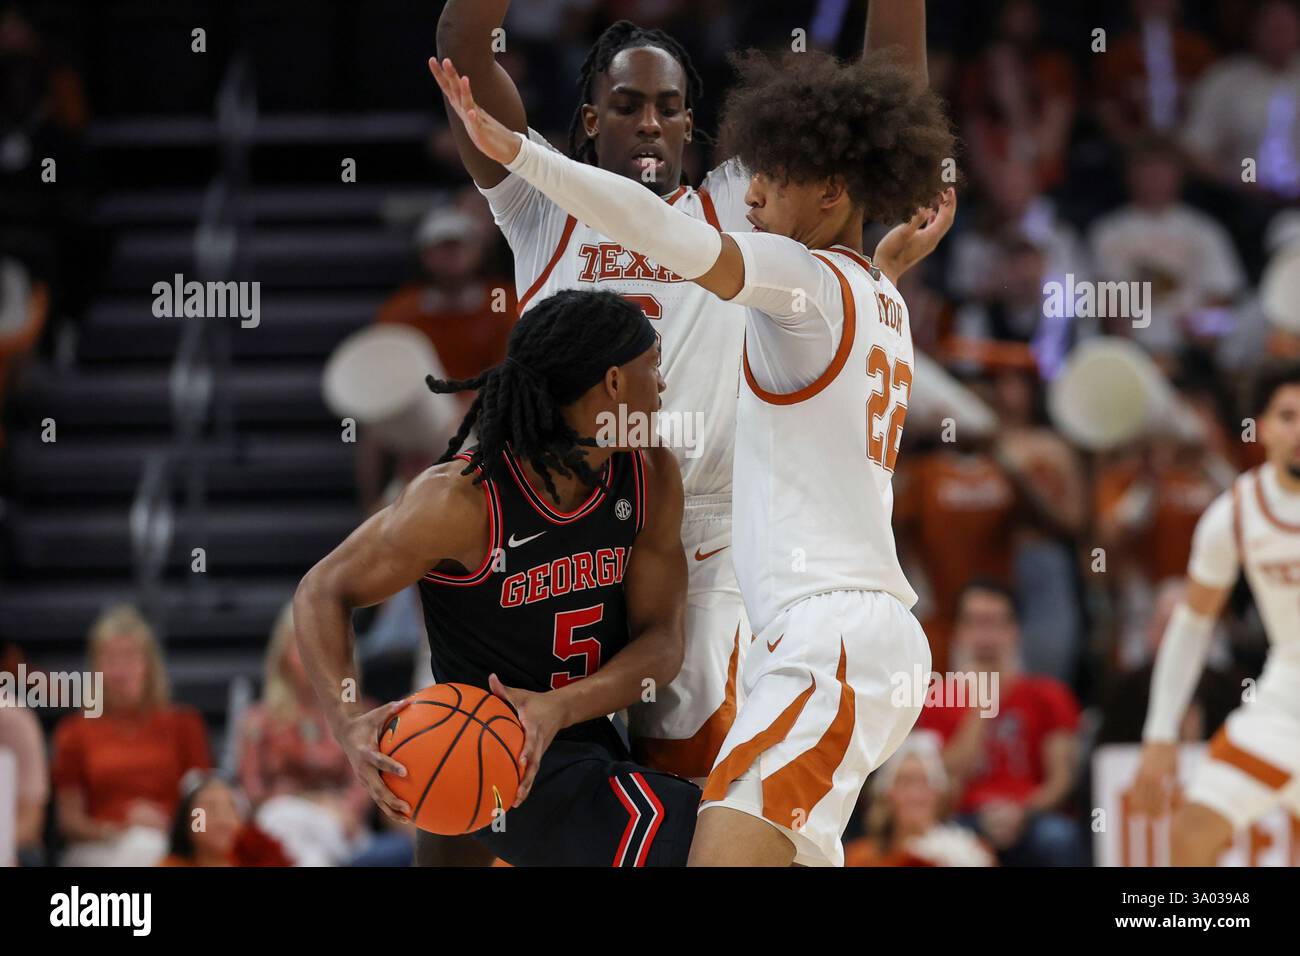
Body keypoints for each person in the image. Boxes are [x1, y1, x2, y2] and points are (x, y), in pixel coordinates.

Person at [429, 0, 955, 863]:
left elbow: (875, 103)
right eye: (628, 104)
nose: (651, 122)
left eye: (670, 106)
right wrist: (514, 147)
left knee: (693, 804)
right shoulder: (541, 206)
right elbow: (461, 45)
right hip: (566, 530)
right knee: (496, 777)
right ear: (590, 116)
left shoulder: (740, 210)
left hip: (709, 537)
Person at [295, 288, 701, 866]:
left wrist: (558, 708)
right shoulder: (460, 500)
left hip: (577, 736)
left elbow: (662, 643)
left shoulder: (650, 473)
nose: (660, 386)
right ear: (613, 383)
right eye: (651, 366)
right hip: (480, 742)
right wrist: (346, 719)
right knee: (701, 836)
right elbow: (323, 589)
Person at [1133, 360, 1300, 864]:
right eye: (1288, 416)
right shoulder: (1234, 514)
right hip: (1286, 698)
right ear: (1263, 428)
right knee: (1192, 834)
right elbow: (1192, 622)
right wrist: (1160, 734)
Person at [915, 580, 1086, 866]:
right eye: (975, 624)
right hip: (965, 816)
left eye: (994, 623)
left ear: (1014, 631)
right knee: (940, 845)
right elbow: (942, 778)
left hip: (1031, 815)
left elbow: (1061, 780)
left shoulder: (1048, 694)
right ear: (959, 633)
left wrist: (1022, 810)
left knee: (1058, 837)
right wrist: (983, 702)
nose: (986, 637)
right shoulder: (935, 698)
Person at [51, 604, 211, 867]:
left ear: (149, 666)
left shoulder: (184, 724)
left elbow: (203, 808)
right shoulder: (74, 731)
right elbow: (68, 822)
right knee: (140, 847)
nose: (120, 672)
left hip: (170, 843)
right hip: (99, 848)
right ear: (95, 668)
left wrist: (171, 825)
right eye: (110, 659)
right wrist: (118, 830)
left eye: (129, 658)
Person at [844, 731, 995, 867]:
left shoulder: (972, 854)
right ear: (886, 794)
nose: (915, 794)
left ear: (939, 793)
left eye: (925, 782)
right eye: (905, 782)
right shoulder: (859, 858)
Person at [158, 771, 291, 867]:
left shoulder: (264, 861)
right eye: (209, 808)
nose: (222, 818)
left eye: (230, 808)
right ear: (187, 823)